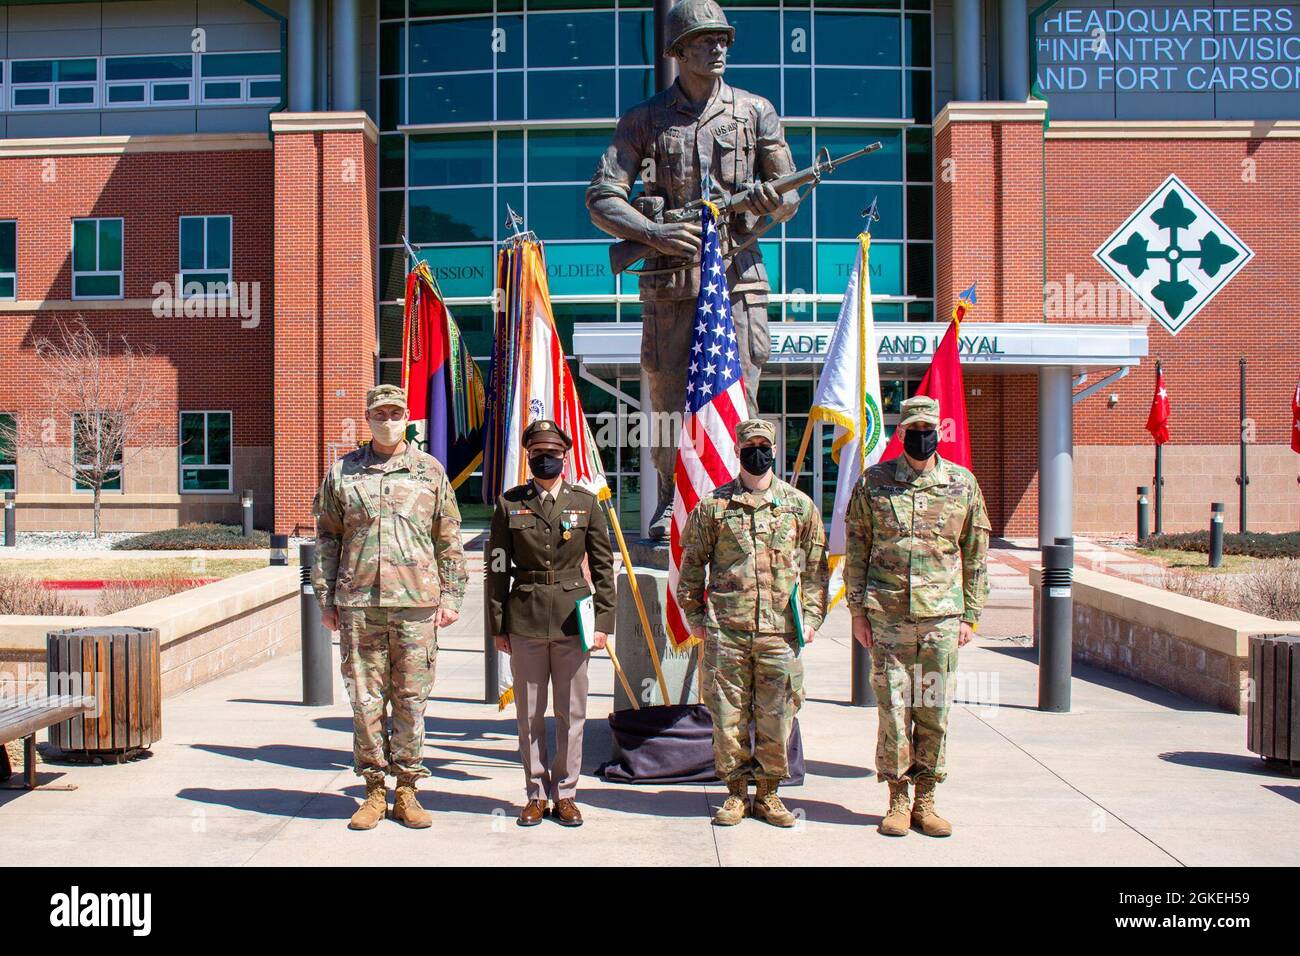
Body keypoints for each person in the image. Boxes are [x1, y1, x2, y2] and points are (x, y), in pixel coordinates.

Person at [586, 0, 801, 539]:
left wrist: (768, 203)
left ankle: (739, 502)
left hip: (736, 282)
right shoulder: (644, 120)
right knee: (666, 402)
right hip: (670, 287)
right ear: (678, 51)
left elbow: (789, 193)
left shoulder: (756, 112)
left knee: (741, 396)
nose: (718, 47)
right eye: (705, 40)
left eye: (723, 38)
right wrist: (652, 232)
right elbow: (601, 197)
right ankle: (669, 502)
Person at [312, 384, 468, 831]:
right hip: (359, 605)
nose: (387, 420)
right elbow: (327, 538)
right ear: (368, 418)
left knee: (411, 700)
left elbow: (448, 539)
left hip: (417, 605)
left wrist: (453, 597)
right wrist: (326, 599)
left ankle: (408, 790)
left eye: (395, 413)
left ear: (406, 418)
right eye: (379, 413)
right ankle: (373, 790)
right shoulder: (342, 472)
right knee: (364, 702)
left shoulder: (429, 471)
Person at [843, 395, 990, 838]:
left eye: (928, 429)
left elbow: (976, 553)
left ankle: (926, 798)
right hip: (887, 618)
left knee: (934, 709)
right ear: (901, 433)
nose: (921, 436)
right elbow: (857, 549)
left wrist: (971, 615)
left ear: (938, 432)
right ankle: (897, 798)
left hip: (942, 619)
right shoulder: (875, 483)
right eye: (913, 430)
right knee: (892, 709)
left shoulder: (962, 484)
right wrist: (856, 611)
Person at [676, 419, 828, 827]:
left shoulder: (798, 506)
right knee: (728, 717)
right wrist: (695, 619)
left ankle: (770, 793)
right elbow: (690, 569)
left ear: (774, 450)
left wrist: (811, 618)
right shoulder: (714, 506)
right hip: (727, 633)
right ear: (738, 451)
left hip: (780, 633)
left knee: (778, 715)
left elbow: (816, 570)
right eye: (749, 446)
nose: (756, 453)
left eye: (764, 446)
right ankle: (735, 794)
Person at [486, 419, 616, 828]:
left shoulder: (585, 503)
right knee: (528, 714)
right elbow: (495, 569)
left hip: (572, 621)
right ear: (529, 457)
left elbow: (603, 566)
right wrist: (497, 624)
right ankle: (535, 793)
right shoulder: (509, 505)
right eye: (538, 454)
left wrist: (604, 622)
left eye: (553, 454)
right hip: (523, 619)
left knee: (571, 712)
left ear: (565, 456)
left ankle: (567, 794)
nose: (546, 460)